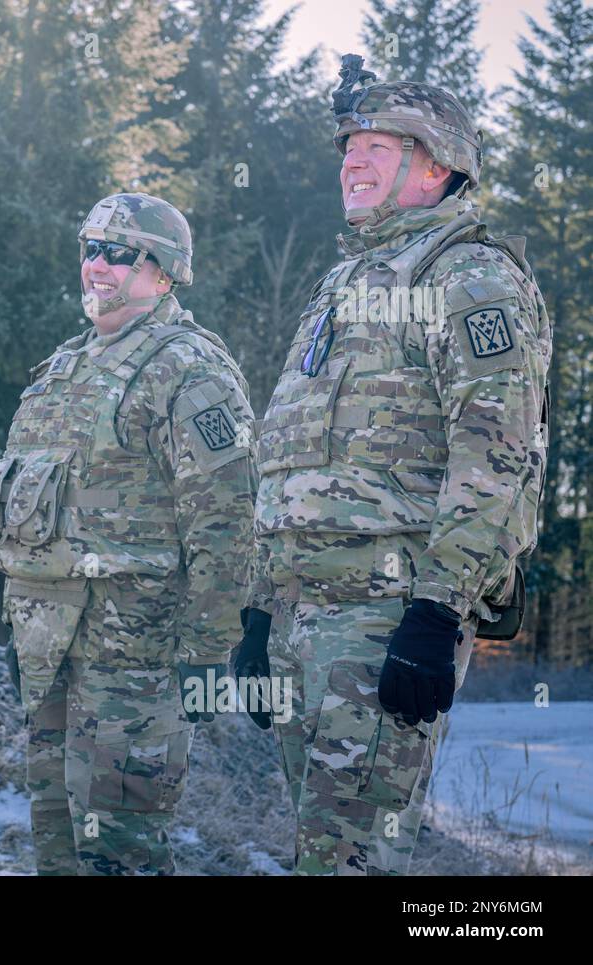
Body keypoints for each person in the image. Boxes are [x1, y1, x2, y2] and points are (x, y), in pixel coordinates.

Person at [234, 55, 551, 875]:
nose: (353, 160)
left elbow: (496, 455)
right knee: (318, 848)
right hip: (306, 615)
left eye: (378, 144)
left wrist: (436, 614)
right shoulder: (342, 284)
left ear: (437, 167)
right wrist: (261, 610)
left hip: (386, 618)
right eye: (349, 146)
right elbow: (290, 455)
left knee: (350, 859)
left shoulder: (467, 275)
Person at [0, 193, 256, 874]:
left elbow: (228, 518)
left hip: (135, 666)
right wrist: (26, 630)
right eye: (89, 249)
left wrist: (209, 649)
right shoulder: (63, 368)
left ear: (163, 273)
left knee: (120, 857)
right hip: (50, 656)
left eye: (118, 253)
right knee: (59, 852)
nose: (96, 266)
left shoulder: (188, 368)